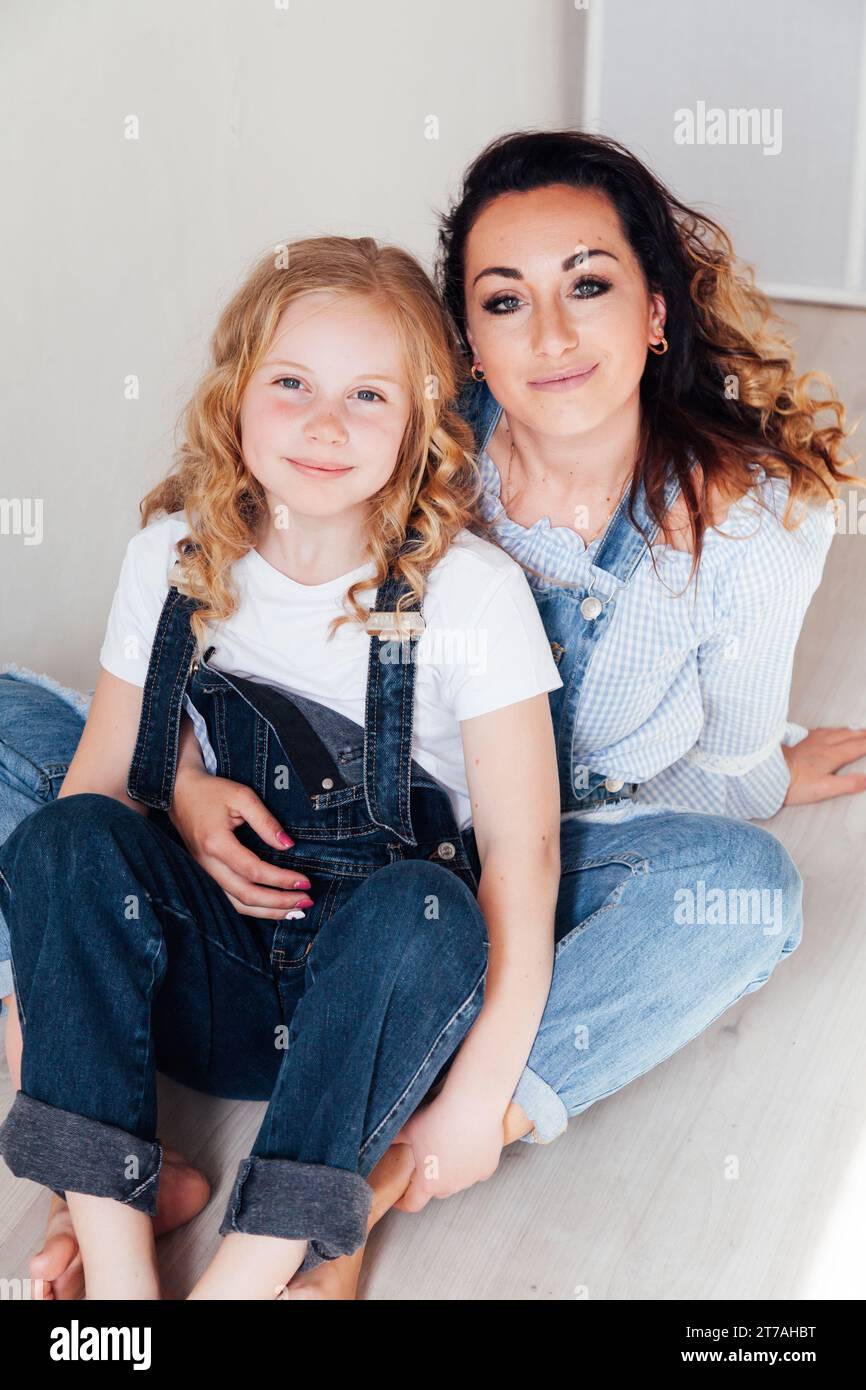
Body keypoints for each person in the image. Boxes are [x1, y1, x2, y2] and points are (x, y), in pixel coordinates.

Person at [2, 127, 863, 1300]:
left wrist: (763, 770)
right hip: (240, 904)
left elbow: (551, 840)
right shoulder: (342, 462)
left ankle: (366, 1176)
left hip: (459, 891)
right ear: (463, 344)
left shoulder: (706, 533)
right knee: (44, 789)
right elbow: (135, 733)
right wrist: (184, 781)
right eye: (504, 300)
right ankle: (108, 1190)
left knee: (722, 893)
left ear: (655, 308)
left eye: (588, 285)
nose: (548, 335)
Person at [0, 233, 564, 1299]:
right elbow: (97, 788)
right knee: (60, 836)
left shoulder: (469, 594)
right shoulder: (173, 557)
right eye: (292, 383)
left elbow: (523, 869)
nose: (323, 423)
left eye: (367, 397)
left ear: (419, 428)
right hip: (205, 984)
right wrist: (36, 1002)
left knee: (429, 910)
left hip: (367, 1019)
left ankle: (245, 1277)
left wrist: (475, 1096)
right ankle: (120, 1283)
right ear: (236, 396)